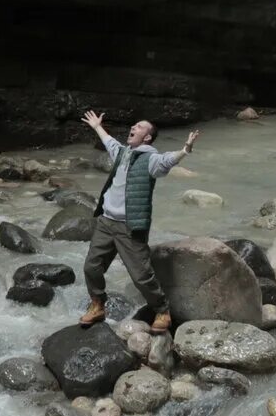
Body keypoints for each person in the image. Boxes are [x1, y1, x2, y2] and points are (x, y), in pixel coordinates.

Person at [77, 110, 200, 334]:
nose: (133, 127)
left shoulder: (150, 159)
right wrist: (97, 127)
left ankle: (162, 310)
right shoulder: (123, 153)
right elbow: (110, 142)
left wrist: (185, 150)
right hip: (106, 222)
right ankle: (97, 306)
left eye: (139, 126)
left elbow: (166, 162)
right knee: (91, 267)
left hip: (130, 227)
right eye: (134, 125)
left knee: (141, 276)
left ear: (147, 137)